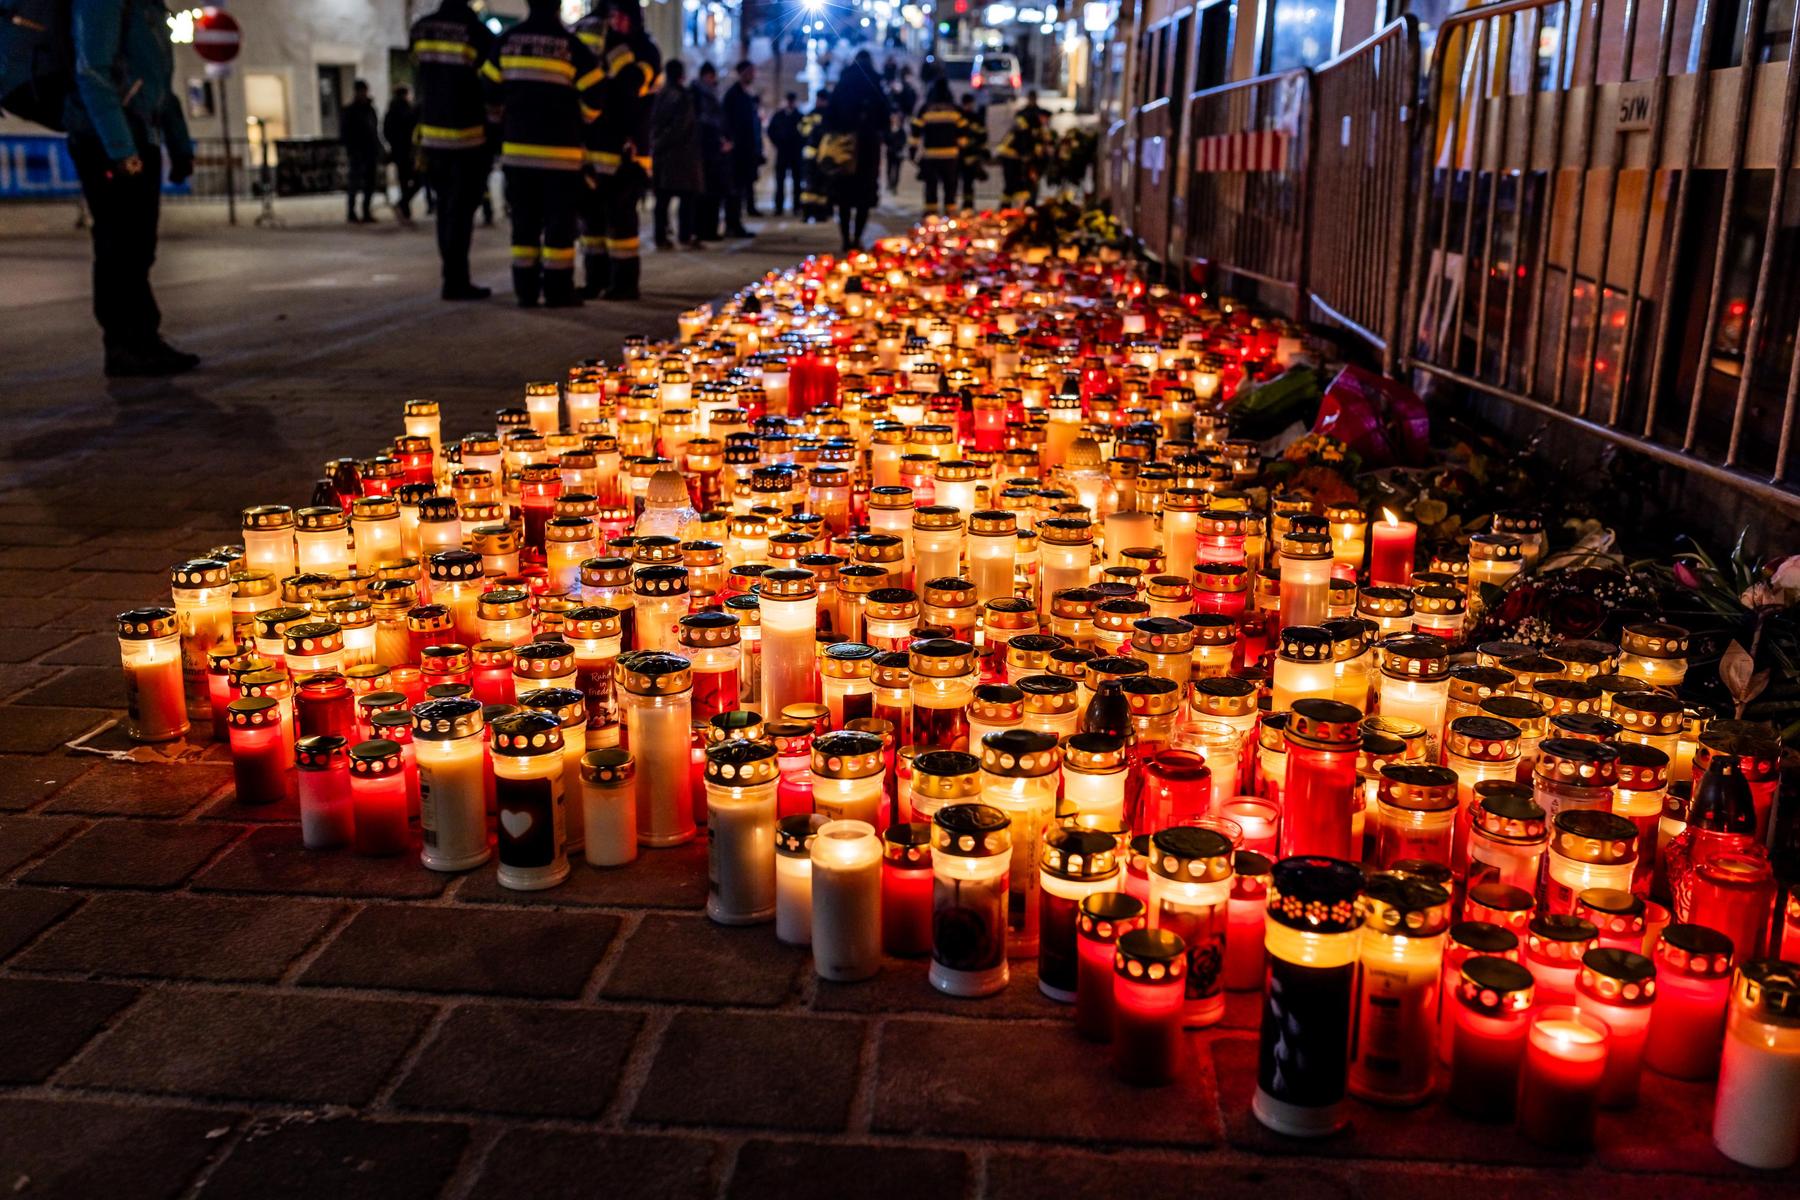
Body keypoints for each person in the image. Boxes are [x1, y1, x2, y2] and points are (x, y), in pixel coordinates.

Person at [65, 0, 199, 377]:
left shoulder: (151, 7)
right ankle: (122, 344)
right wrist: (121, 149)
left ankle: (144, 338)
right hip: (104, 138)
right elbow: (91, 71)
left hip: (141, 133)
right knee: (117, 243)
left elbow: (159, 85)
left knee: (139, 244)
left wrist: (180, 145)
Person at [480, 0, 603, 306]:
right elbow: (596, 95)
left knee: (524, 225)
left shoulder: (507, 41)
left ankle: (525, 291)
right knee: (559, 227)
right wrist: (581, 120)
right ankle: (558, 291)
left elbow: (487, 86)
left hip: (518, 154)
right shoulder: (571, 46)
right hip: (561, 156)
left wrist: (502, 118)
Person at [411, 0, 496, 300]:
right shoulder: (476, 32)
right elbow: (490, 86)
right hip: (468, 139)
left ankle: (451, 275)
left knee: (445, 211)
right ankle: (457, 281)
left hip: (433, 137)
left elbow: (421, 79)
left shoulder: (421, 29)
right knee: (461, 213)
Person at [576, 0, 661, 299]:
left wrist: (613, 53)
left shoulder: (646, 51)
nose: (615, 22)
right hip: (592, 149)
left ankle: (625, 284)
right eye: (612, 16)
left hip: (629, 151)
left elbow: (631, 86)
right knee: (591, 222)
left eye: (621, 17)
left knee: (621, 221)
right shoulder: (599, 49)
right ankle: (595, 279)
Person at [820, 50, 889, 252]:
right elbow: (884, 116)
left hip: (844, 149)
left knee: (843, 196)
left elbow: (829, 117)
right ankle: (857, 238)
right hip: (868, 148)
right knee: (863, 197)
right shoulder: (874, 85)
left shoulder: (843, 85)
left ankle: (845, 238)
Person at [650, 58, 702, 248]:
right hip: (680, 156)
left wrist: (657, 145)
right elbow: (681, 127)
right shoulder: (681, 96)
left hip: (664, 155)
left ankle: (660, 236)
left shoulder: (661, 94)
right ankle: (685, 236)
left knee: (663, 199)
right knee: (686, 197)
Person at [909, 76, 960, 216]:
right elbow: (963, 134)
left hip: (930, 156)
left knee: (931, 186)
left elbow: (915, 132)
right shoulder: (954, 109)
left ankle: (931, 217)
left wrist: (912, 151)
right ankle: (950, 216)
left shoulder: (925, 109)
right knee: (950, 186)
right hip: (951, 155)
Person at [691, 61, 729, 241]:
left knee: (713, 192)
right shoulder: (698, 95)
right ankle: (703, 230)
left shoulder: (708, 94)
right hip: (705, 151)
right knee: (705, 193)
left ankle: (709, 229)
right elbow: (705, 122)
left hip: (712, 149)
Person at [722, 60, 763, 224]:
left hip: (746, 149)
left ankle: (736, 222)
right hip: (738, 151)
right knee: (735, 188)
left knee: (742, 187)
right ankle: (732, 223)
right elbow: (729, 122)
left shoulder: (746, 95)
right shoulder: (734, 95)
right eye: (750, 72)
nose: (753, 75)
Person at [341, 79, 384, 223]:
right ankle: (351, 212)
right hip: (357, 152)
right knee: (355, 182)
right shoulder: (350, 111)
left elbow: (374, 131)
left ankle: (366, 211)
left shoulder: (370, 109)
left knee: (370, 183)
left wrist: (379, 147)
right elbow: (345, 133)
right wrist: (352, 150)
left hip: (370, 151)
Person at [383, 85, 421, 221]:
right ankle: (404, 206)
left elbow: (386, 131)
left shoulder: (391, 111)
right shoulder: (408, 110)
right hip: (407, 151)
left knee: (404, 181)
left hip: (399, 151)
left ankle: (404, 208)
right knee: (417, 179)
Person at [765, 91, 803, 215]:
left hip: (795, 153)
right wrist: (777, 142)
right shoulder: (779, 115)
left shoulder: (799, 116)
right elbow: (770, 131)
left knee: (797, 181)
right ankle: (779, 207)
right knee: (780, 181)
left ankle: (797, 206)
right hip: (782, 152)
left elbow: (805, 134)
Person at [796, 87, 831, 222]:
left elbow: (803, 131)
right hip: (823, 156)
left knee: (811, 186)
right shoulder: (829, 115)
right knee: (820, 186)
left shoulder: (811, 115)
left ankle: (808, 213)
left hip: (811, 155)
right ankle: (820, 214)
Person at [955, 92, 986, 210]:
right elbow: (982, 136)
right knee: (961, 183)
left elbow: (983, 136)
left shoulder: (971, 117)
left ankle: (967, 206)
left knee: (967, 184)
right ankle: (961, 207)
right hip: (962, 156)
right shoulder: (970, 117)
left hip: (966, 157)